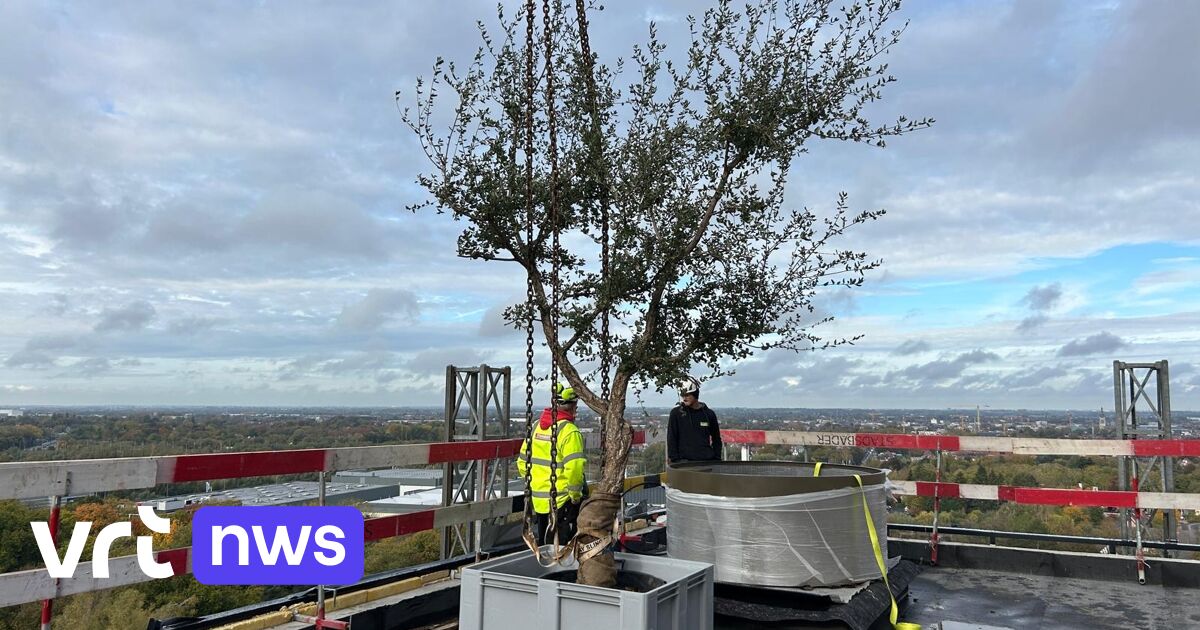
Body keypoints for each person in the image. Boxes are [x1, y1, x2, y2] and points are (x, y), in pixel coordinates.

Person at [517, 383, 586, 545]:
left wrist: (536, 484)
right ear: (573, 407)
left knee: (546, 545)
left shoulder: (536, 428)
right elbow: (574, 470)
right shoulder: (569, 431)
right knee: (562, 548)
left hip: (539, 500)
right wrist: (575, 497)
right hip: (561, 501)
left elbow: (522, 462)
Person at [667, 375, 722, 464]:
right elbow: (671, 438)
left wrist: (716, 458)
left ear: (695, 394)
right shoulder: (676, 414)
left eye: (687, 395)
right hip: (683, 464)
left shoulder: (709, 414)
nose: (684, 398)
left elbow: (716, 439)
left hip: (707, 462)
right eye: (682, 395)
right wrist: (675, 460)